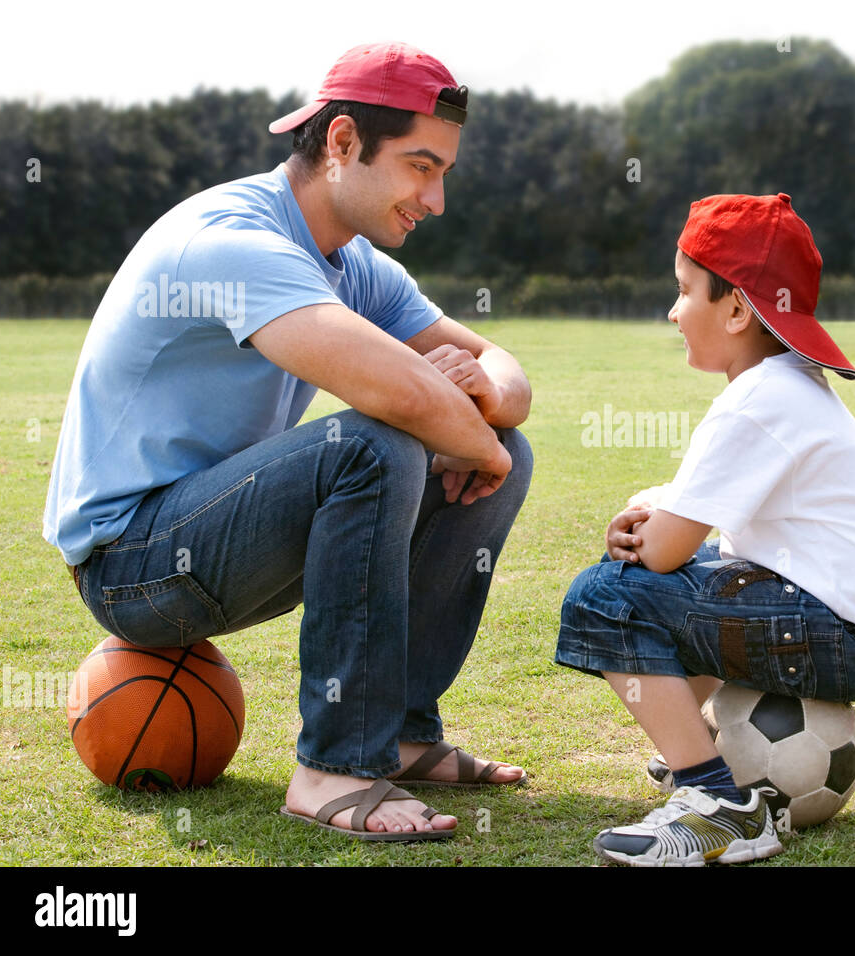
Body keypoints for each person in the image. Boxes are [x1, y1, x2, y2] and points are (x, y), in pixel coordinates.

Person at [44, 42, 532, 842]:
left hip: (222, 542)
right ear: (341, 143)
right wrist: (473, 425)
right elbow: (396, 393)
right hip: (129, 565)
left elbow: (502, 371)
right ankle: (334, 767)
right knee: (377, 444)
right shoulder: (232, 239)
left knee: (497, 455)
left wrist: (488, 413)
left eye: (442, 171)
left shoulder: (353, 264)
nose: (436, 199)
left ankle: (403, 734)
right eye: (420, 166)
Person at [555, 193, 855, 865]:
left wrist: (639, 536)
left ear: (738, 308)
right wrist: (651, 513)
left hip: (837, 630)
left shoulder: (754, 399)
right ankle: (704, 758)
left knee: (603, 597)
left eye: (684, 290)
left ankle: (717, 801)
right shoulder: (787, 384)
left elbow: (664, 553)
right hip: (854, 629)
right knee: (660, 588)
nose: (672, 311)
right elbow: (705, 505)